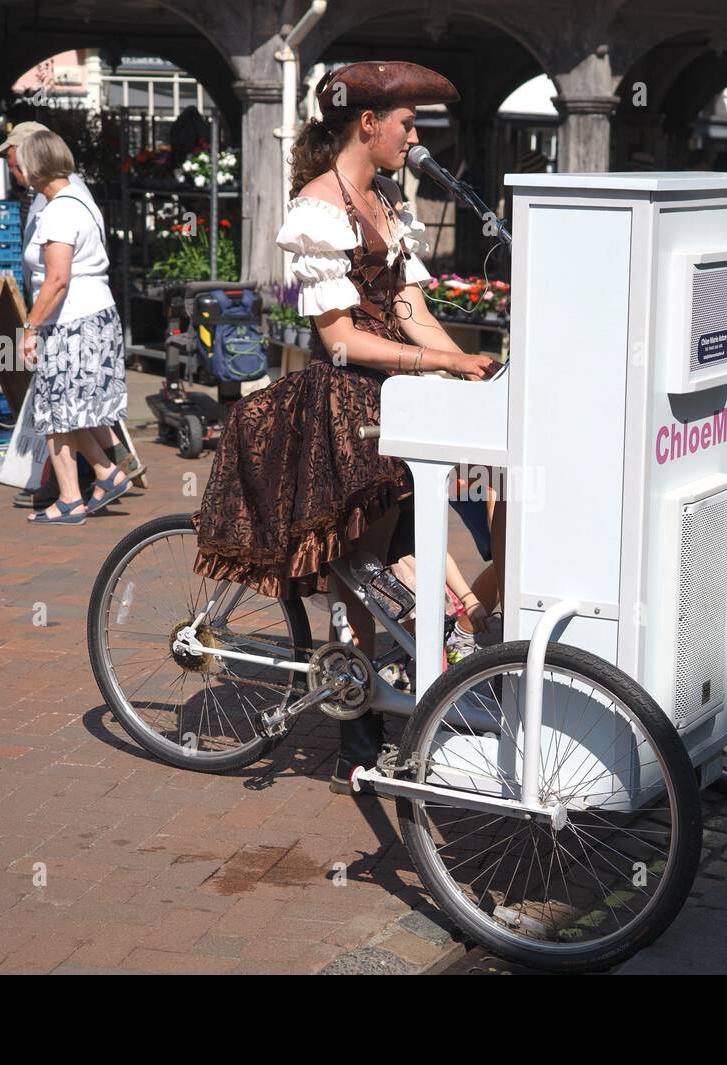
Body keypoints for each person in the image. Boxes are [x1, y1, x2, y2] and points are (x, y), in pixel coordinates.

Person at [190, 61, 496, 794]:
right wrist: (437, 363)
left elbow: (411, 308)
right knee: (362, 565)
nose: (414, 137)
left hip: (395, 393)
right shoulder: (317, 209)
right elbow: (341, 340)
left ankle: (441, 660)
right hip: (345, 403)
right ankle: (359, 738)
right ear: (369, 124)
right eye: (408, 124)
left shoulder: (387, 198)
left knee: (416, 537)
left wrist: (474, 369)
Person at [0, 121, 143, 508]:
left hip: (72, 320)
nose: (14, 171)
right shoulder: (76, 198)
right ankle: (104, 475)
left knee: (59, 411)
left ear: (32, 164)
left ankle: (81, 490)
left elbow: (57, 279)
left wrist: (29, 327)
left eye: (16, 163)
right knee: (69, 410)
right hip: (85, 316)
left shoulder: (59, 210)